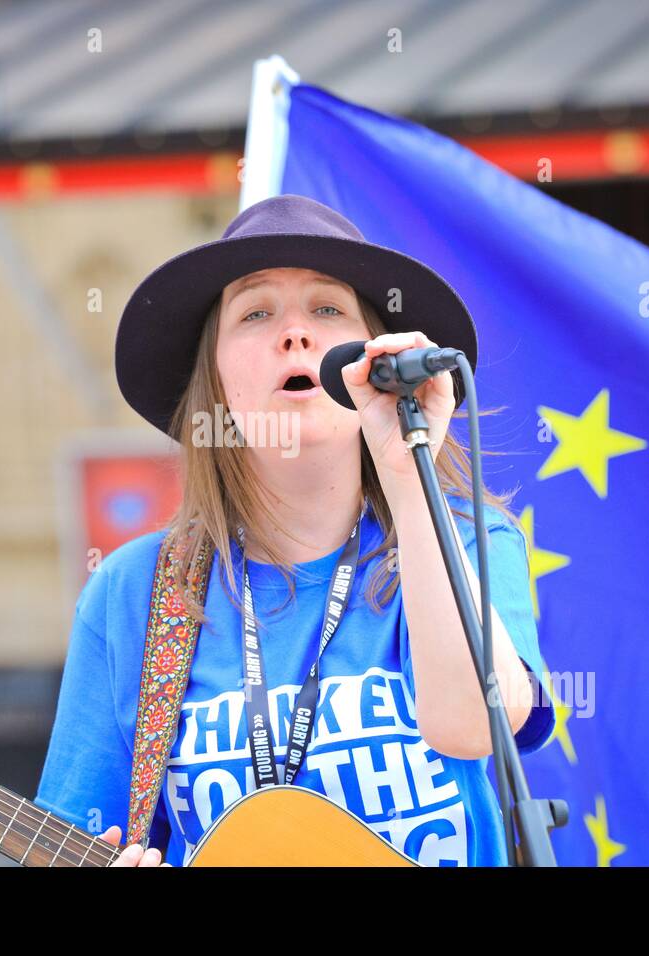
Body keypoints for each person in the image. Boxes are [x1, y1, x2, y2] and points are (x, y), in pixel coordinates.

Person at [32, 194, 555, 867]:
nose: (296, 334)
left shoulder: (473, 539)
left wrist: (404, 468)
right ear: (214, 383)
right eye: (255, 313)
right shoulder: (132, 593)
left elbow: (470, 725)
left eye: (328, 309)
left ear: (377, 357)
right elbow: (66, 842)